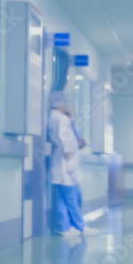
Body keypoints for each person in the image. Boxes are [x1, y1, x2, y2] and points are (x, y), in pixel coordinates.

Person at [48, 91, 98, 238]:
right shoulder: (62, 119)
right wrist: (70, 151)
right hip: (66, 164)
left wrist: (76, 145)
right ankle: (80, 226)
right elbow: (66, 141)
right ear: (61, 103)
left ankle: (64, 227)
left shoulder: (52, 117)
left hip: (61, 163)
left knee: (61, 198)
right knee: (72, 198)